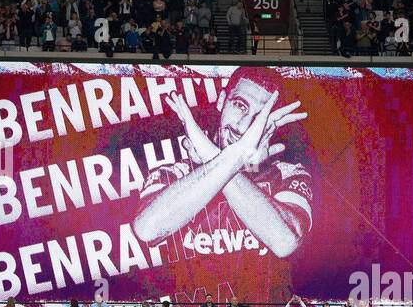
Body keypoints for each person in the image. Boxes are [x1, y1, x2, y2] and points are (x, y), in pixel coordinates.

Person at [133, 68, 312, 276]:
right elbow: (147, 229)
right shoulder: (174, 173)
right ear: (221, 100)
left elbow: (284, 242)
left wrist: (214, 156)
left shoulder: (288, 174)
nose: (244, 127)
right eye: (239, 105)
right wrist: (234, 161)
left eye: (259, 118)